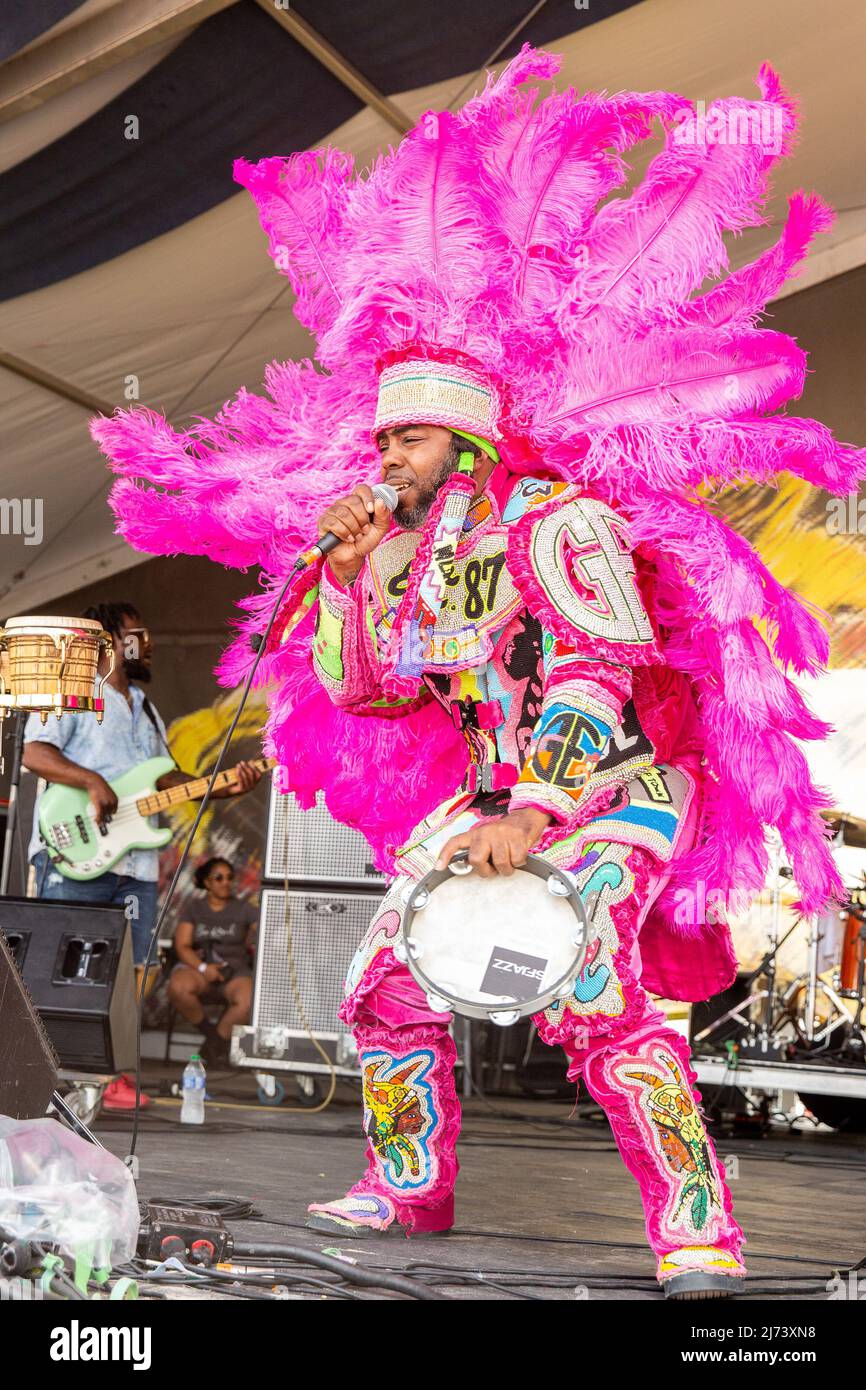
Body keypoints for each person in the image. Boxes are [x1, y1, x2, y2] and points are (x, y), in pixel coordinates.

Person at [89, 48, 864, 1297]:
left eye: (407, 432)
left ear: (465, 432)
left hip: (610, 786)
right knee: (384, 983)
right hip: (496, 794)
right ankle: (408, 1186)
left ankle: (692, 1227)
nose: (384, 449)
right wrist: (345, 574)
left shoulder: (559, 523)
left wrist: (537, 809)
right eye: (381, 430)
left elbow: (601, 662)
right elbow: (377, 693)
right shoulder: (409, 550)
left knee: (592, 983)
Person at [23, 601, 262, 1109]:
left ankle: (114, 1077)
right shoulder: (75, 692)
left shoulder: (146, 707)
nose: (145, 642)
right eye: (136, 633)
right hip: (76, 851)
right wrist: (91, 781)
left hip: (135, 863)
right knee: (63, 965)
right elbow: (34, 753)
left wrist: (225, 786)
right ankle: (46, 1072)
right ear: (108, 639)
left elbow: (169, 780)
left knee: (133, 969)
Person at [168, 857, 257, 1065]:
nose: (226, 882)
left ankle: (211, 1046)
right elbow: (182, 946)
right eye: (219, 878)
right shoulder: (194, 908)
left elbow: (264, 928)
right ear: (207, 882)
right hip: (200, 971)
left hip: (234, 972)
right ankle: (213, 1039)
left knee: (249, 1000)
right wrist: (203, 967)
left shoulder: (244, 908)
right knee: (178, 987)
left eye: (229, 878)